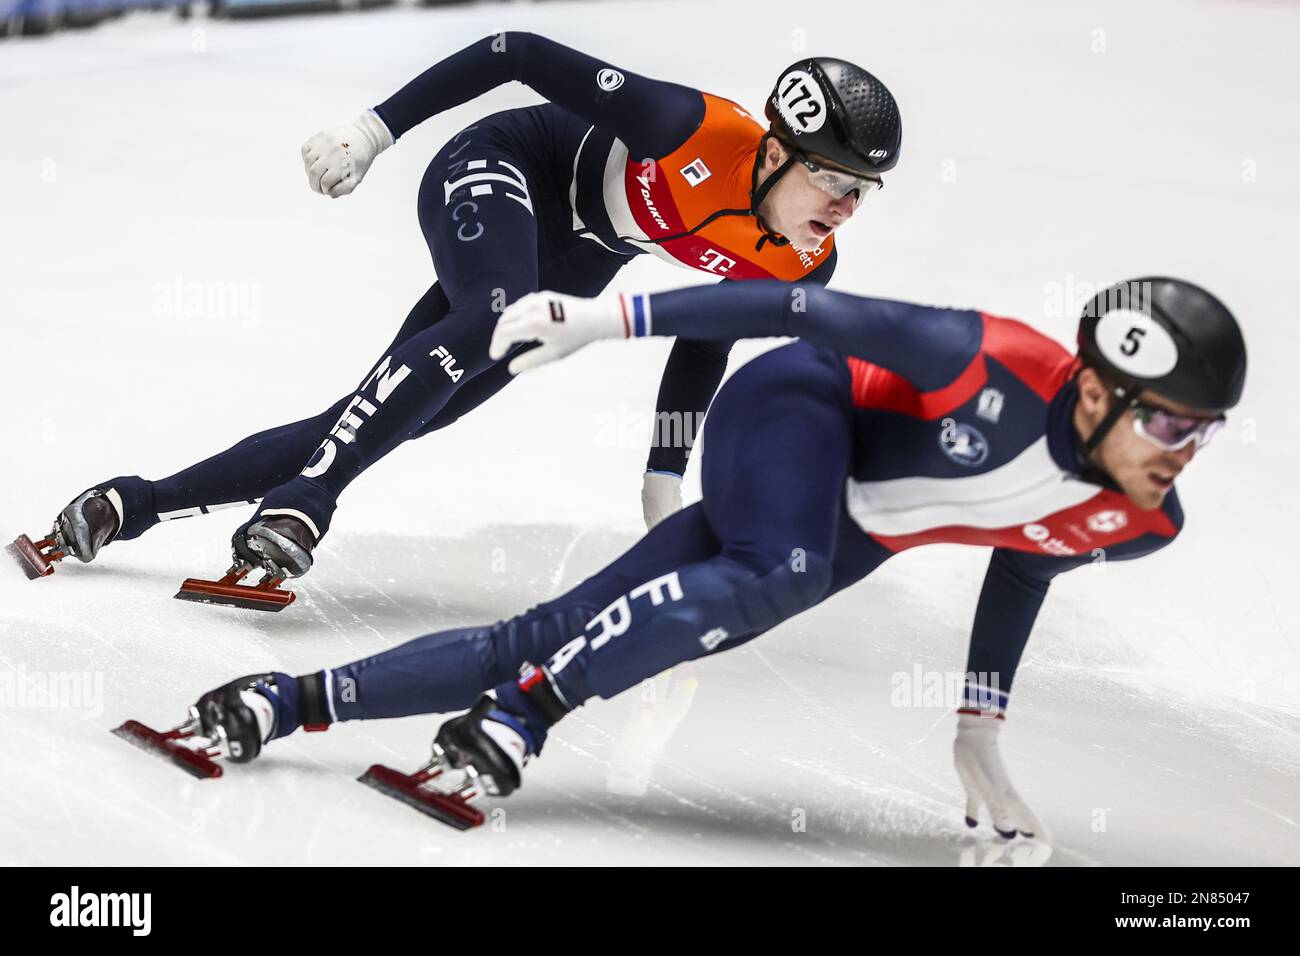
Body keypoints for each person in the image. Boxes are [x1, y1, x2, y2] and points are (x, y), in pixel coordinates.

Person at [163, 275, 1246, 837]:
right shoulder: (984, 359)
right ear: (1099, 391)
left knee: (549, 630)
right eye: (1169, 426)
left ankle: (282, 699)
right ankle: (524, 714)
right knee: (780, 571)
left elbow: (1023, 559)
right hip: (798, 402)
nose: (1182, 455)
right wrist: (603, 317)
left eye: (1205, 432)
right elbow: (797, 303)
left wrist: (978, 722)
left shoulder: (1143, 522)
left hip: (846, 522)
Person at [16, 35, 902, 602]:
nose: (846, 206)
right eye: (834, 179)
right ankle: (307, 505)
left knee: (387, 414)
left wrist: (663, 474)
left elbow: (705, 338)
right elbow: (512, 49)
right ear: (777, 150)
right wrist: (373, 129)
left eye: (865, 191)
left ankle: (131, 503)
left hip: (579, 252)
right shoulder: (685, 125)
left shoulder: (802, 259)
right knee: (494, 315)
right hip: (504, 164)